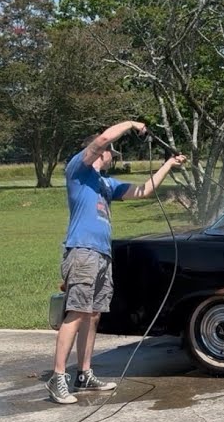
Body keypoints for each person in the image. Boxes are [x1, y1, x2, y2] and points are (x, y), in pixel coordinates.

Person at [46, 120, 187, 404]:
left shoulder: (106, 185)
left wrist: (168, 165)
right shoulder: (78, 171)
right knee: (76, 311)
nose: (113, 156)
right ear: (101, 152)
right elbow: (103, 138)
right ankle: (58, 377)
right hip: (82, 251)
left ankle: (84, 374)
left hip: (101, 253)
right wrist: (132, 123)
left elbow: (142, 191)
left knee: (93, 313)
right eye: (112, 152)